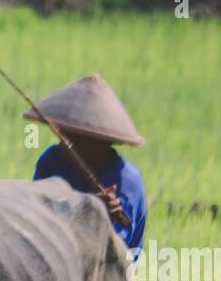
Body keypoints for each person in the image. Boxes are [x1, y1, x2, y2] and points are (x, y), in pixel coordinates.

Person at [25, 74, 147, 253]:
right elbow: (37, 220)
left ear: (102, 142)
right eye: (64, 134)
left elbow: (115, 257)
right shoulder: (52, 161)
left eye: (75, 138)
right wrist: (86, 212)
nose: (65, 144)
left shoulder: (126, 182)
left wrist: (101, 219)